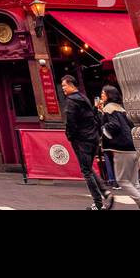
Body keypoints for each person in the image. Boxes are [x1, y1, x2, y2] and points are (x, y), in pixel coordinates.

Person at [61, 75, 110, 210]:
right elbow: (92, 116)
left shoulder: (71, 101)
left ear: (71, 85)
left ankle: (98, 204)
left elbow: (71, 122)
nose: (63, 88)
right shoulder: (84, 98)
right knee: (88, 168)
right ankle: (105, 192)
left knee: (86, 172)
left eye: (64, 85)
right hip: (92, 137)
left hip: (82, 140)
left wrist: (70, 137)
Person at [97, 85, 140, 210]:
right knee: (134, 182)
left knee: (122, 181)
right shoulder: (121, 109)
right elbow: (131, 125)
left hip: (121, 149)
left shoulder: (108, 108)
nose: (101, 96)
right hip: (132, 147)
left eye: (103, 93)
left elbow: (113, 126)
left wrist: (104, 130)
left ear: (109, 95)